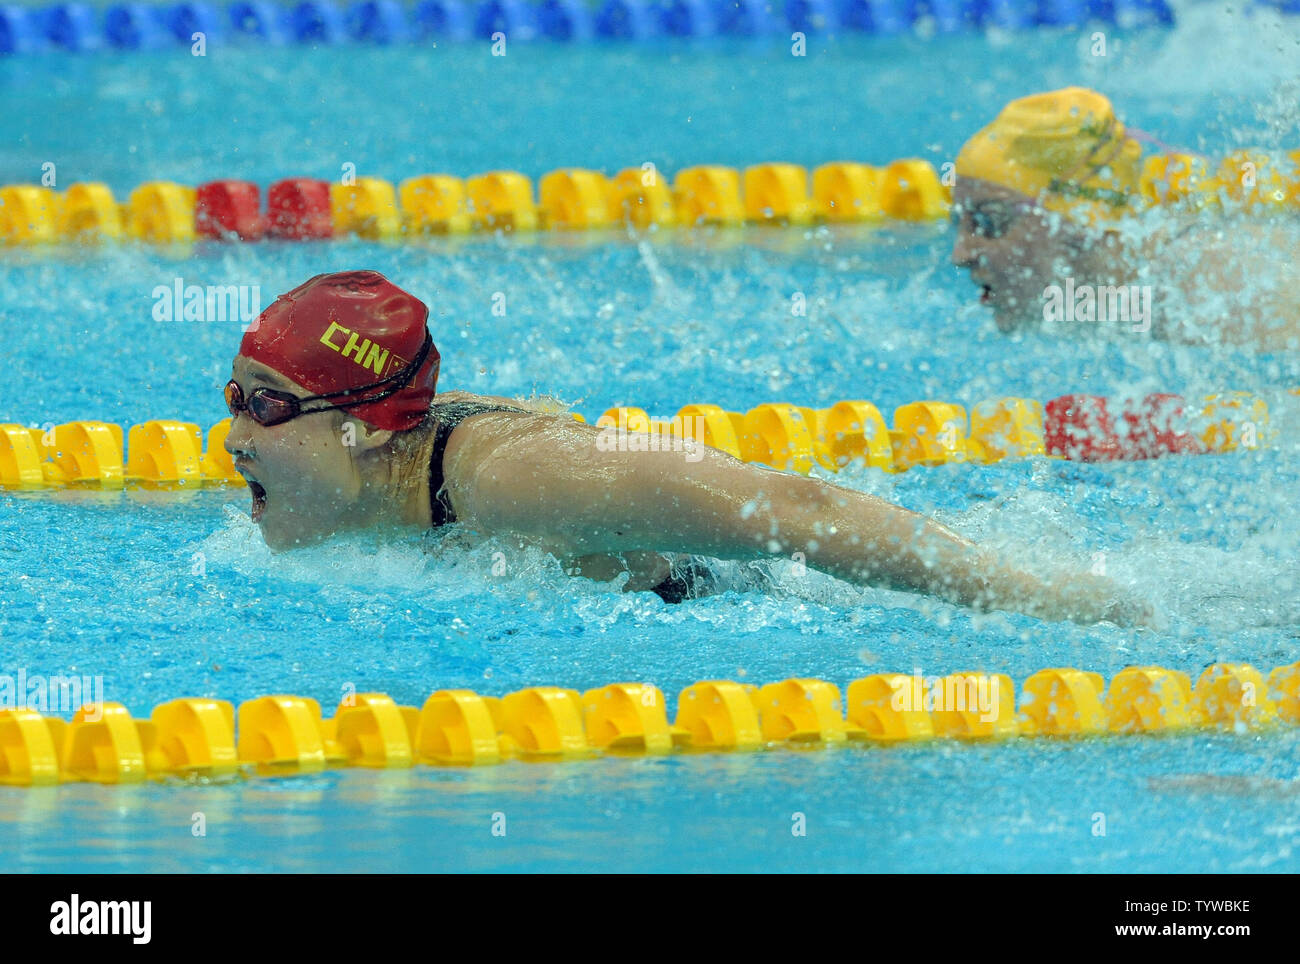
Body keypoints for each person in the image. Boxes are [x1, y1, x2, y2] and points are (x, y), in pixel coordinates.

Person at [224, 270, 1149, 624]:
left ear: (361, 425)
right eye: (234, 398)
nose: (231, 439)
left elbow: (796, 510)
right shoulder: (367, 480)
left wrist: (1042, 597)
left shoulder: (514, 480)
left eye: (265, 409)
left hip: (735, 597)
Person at [950, 87, 1300, 350]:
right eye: (961, 224)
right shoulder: (1086, 304)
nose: (960, 255)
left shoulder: (1216, 291)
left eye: (990, 223)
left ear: (1076, 221)